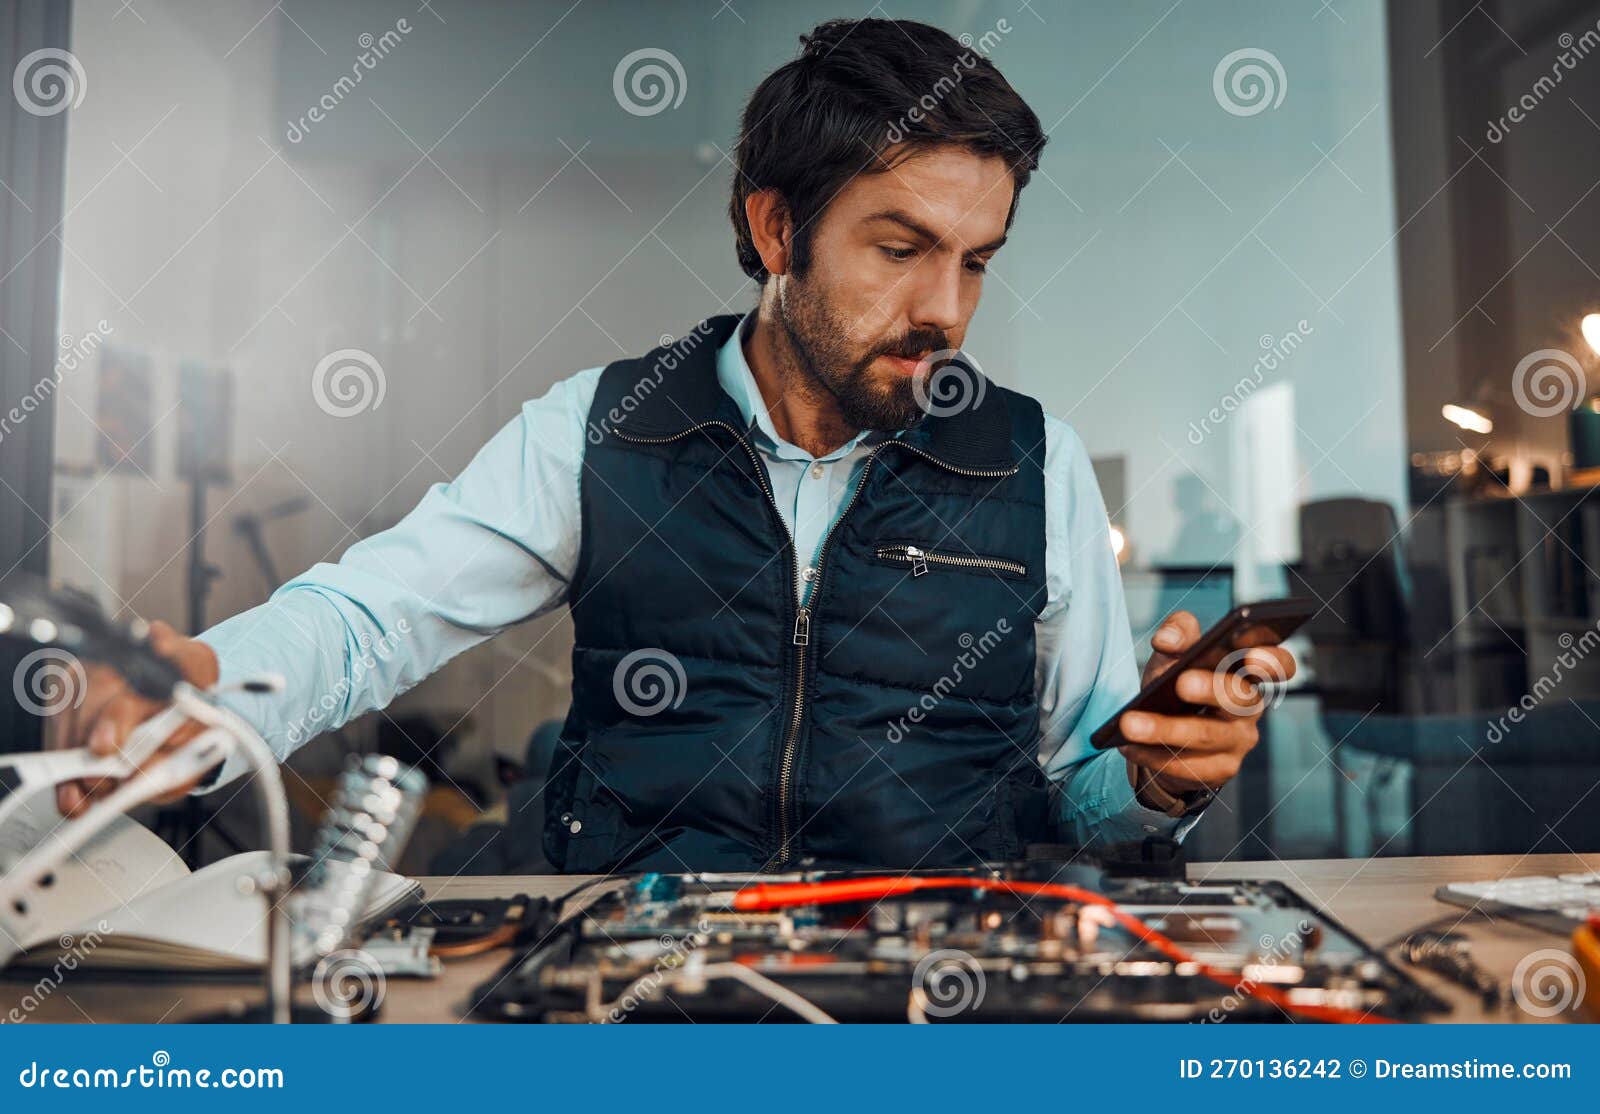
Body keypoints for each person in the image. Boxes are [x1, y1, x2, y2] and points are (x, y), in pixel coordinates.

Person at [47, 17, 1291, 873]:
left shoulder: (1033, 461)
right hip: (645, 995)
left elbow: (1079, 799)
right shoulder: (601, 431)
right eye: (900, 248)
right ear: (776, 228)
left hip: (935, 999)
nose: (946, 310)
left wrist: (1161, 774)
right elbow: (368, 619)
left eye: (976, 261)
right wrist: (203, 691)